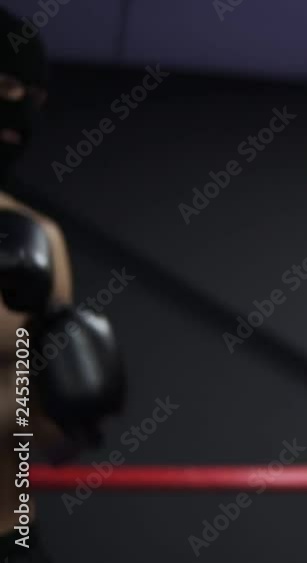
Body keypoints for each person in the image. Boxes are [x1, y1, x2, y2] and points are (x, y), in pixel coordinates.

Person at [1, 8, 125, 562]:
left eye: (32, 95)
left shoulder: (38, 238)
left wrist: (74, 415)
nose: (19, 107)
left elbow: (41, 443)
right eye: (5, 86)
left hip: (12, 532)